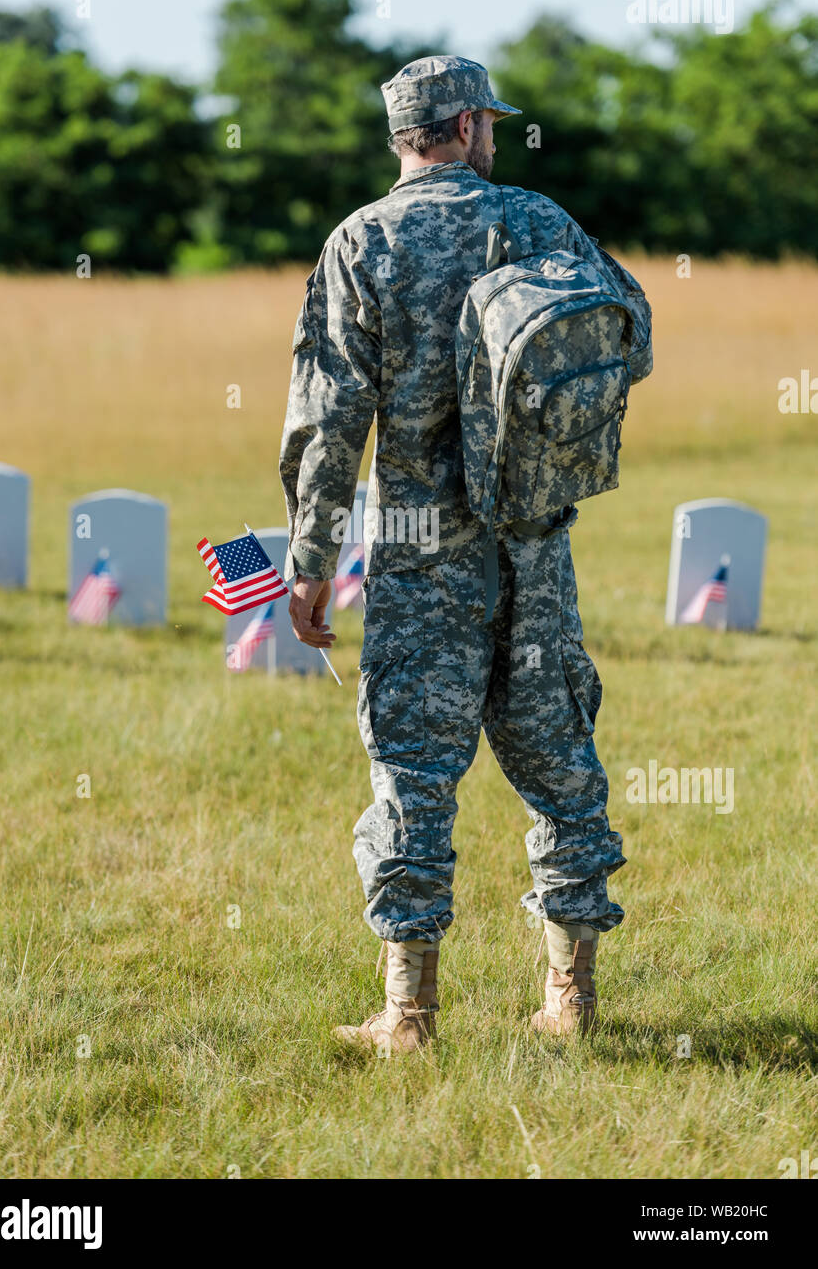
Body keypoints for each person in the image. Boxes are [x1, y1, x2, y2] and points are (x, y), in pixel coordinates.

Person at [280, 55, 653, 1055]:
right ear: (470, 125)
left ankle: (409, 1017)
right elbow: (632, 335)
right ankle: (570, 998)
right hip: (535, 538)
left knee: (411, 768)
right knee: (562, 760)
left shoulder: (361, 241)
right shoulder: (539, 220)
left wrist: (312, 553)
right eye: (488, 119)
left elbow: (328, 417)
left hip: (417, 548)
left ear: (404, 134)